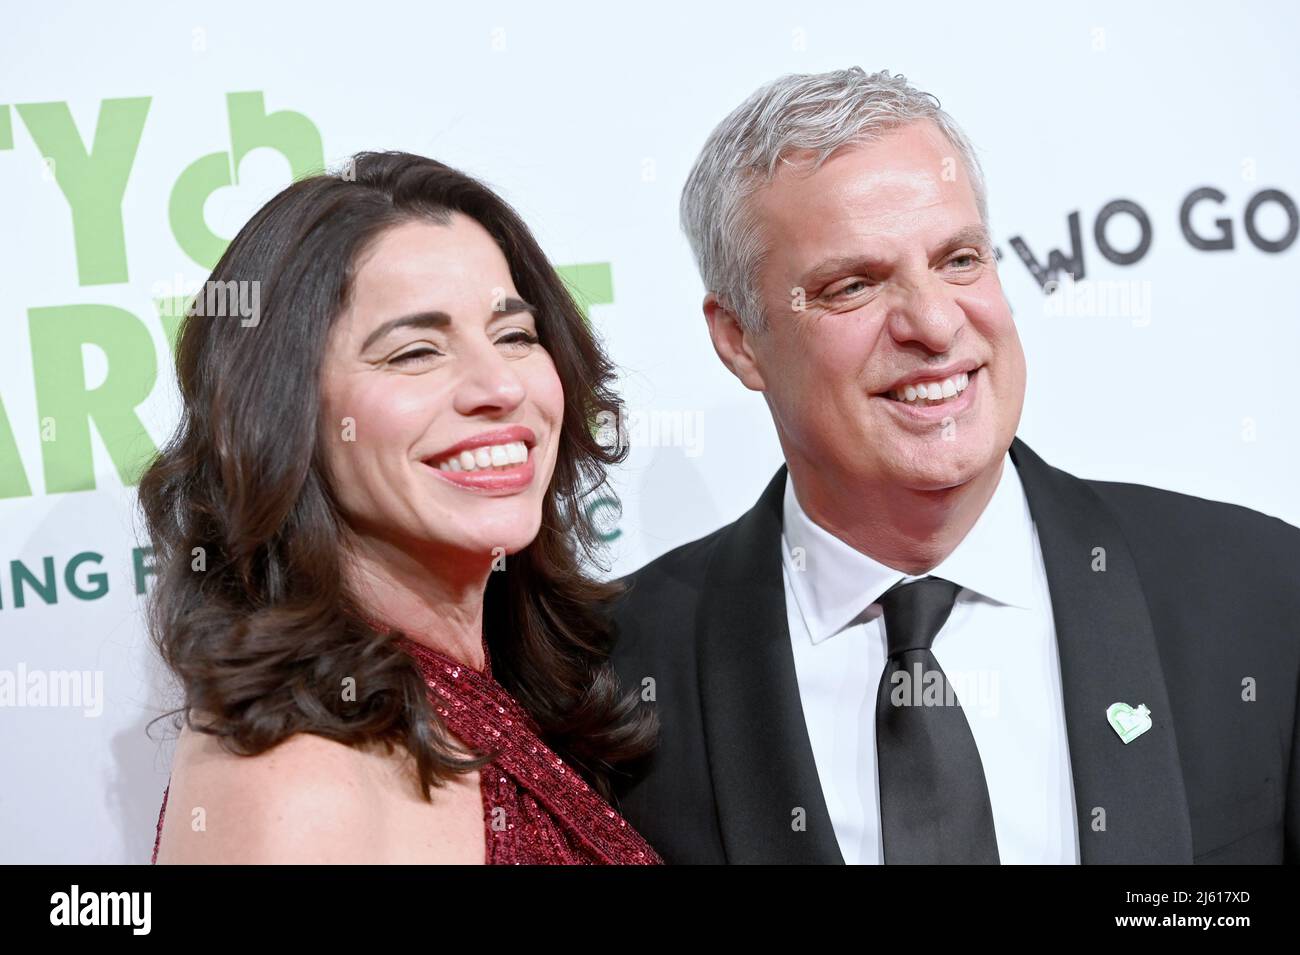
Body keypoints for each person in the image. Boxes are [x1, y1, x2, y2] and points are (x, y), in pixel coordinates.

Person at [606, 67, 1300, 864]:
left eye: (960, 260)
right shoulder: (618, 675)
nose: (935, 323)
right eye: (853, 285)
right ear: (737, 338)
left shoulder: (1261, 593)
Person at [143, 151, 661, 864]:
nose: (498, 386)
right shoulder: (300, 782)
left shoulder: (498, 693)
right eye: (415, 352)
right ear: (282, 415)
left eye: (515, 335)